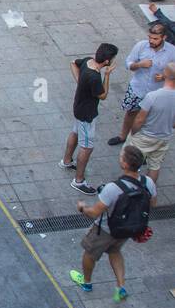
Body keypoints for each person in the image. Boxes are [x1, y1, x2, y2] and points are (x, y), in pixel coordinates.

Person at [71, 145, 155, 300]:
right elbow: (152, 203)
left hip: (105, 230)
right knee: (115, 251)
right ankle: (120, 287)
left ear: (124, 164)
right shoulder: (148, 182)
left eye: (121, 156)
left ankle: (86, 282)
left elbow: (95, 212)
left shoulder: (113, 188)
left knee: (89, 254)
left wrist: (82, 208)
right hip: (127, 229)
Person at [60, 44, 119, 195]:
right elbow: (103, 95)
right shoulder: (94, 77)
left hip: (78, 107)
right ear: (107, 61)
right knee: (87, 147)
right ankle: (78, 181)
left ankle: (66, 161)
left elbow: (73, 62)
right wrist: (107, 75)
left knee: (75, 132)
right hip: (87, 114)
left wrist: (80, 81)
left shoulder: (87, 61)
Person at [109, 21, 175, 147]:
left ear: (164, 37)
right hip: (137, 88)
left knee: (150, 119)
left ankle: (142, 145)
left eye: (155, 39)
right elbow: (128, 63)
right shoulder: (141, 46)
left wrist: (164, 77)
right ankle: (123, 135)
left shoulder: (172, 52)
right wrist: (139, 64)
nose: (151, 41)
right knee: (130, 112)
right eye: (150, 37)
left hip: (156, 93)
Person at [121, 63, 175, 182]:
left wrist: (133, 133)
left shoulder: (153, 96)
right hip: (164, 137)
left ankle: (129, 187)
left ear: (165, 74)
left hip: (144, 136)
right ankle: (149, 191)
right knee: (155, 166)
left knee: (129, 161)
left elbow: (140, 119)